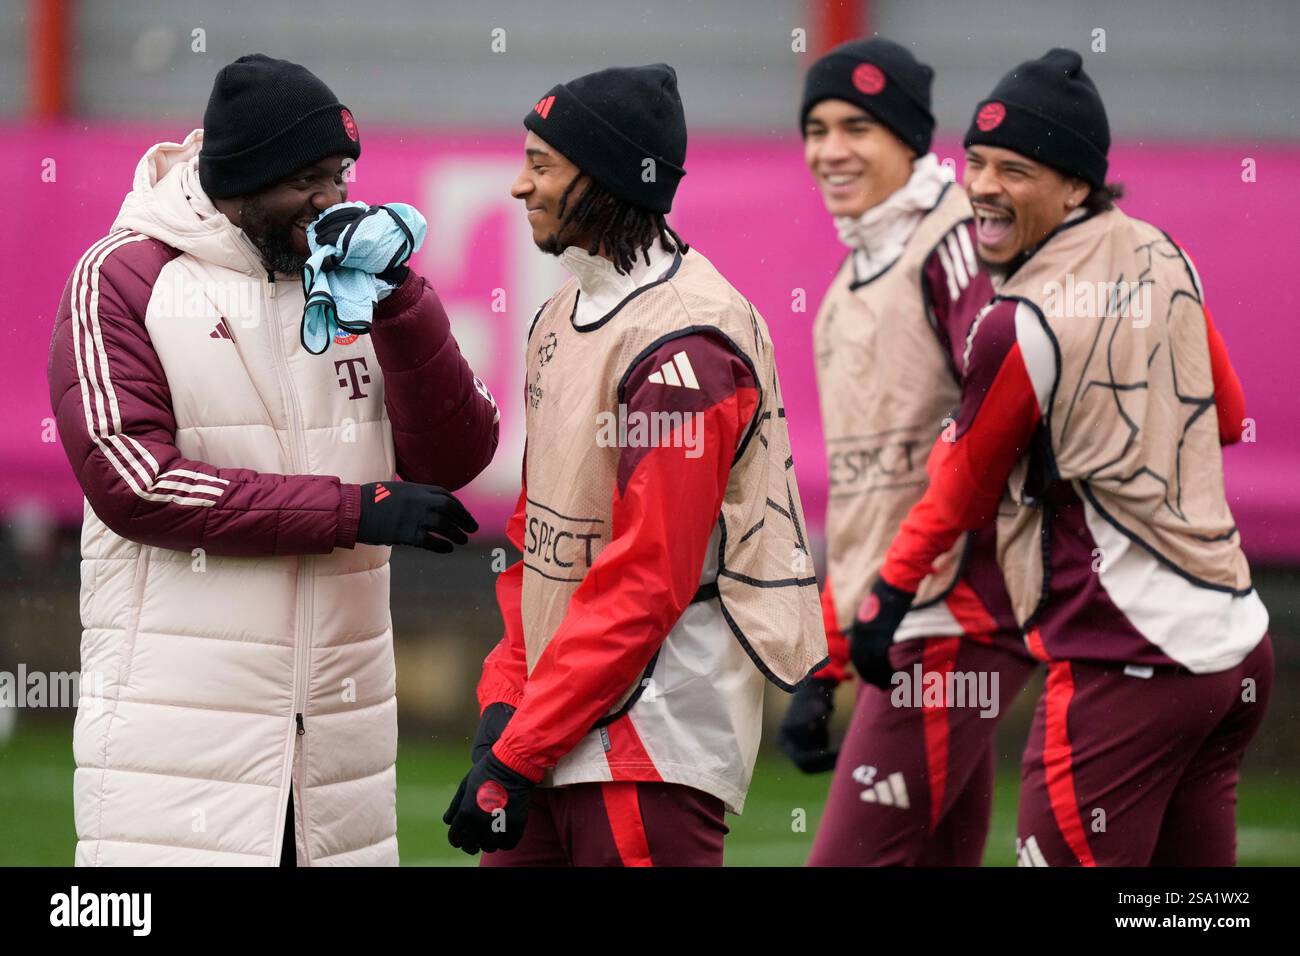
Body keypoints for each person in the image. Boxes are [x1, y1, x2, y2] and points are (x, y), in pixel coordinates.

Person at [47, 54, 499, 866]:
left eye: (341, 177)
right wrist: (355, 510)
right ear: (240, 180)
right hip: (179, 760)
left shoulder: (351, 283)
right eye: (306, 181)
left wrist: (401, 300)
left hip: (339, 755)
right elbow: (134, 483)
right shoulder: (122, 276)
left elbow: (458, 454)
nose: (330, 203)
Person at [865, 48, 1271, 866]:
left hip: (1127, 659)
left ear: (1077, 186)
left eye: (1015, 169)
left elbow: (958, 495)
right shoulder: (1167, 254)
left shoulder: (1018, 320)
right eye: (974, 162)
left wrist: (885, 597)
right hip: (1234, 650)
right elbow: (1228, 418)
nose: (981, 186)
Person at [442, 64, 827, 866]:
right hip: (551, 732)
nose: (519, 186)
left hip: (646, 745)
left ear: (606, 177)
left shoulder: (687, 340)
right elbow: (537, 536)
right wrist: (504, 702)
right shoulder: (558, 314)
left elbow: (649, 580)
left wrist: (519, 746)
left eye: (542, 165)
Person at [781, 37, 1036, 867]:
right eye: (816, 128)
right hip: (902, 615)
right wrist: (826, 655)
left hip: (955, 612)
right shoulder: (843, 288)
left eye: (858, 125)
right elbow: (867, 500)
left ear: (910, 137)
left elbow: (999, 428)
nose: (830, 149)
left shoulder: (957, 244)